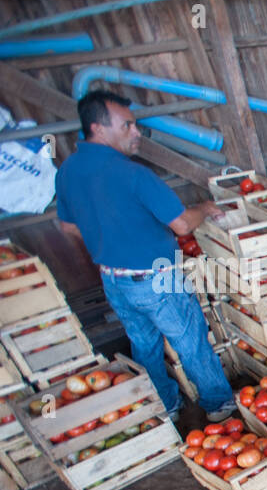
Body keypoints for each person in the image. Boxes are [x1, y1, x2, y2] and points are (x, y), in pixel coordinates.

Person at [54, 90, 235, 421]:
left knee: (144, 346)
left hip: (113, 279)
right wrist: (205, 209)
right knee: (190, 341)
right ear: (98, 128)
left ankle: (166, 407)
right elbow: (181, 225)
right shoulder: (133, 174)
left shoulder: (68, 171)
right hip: (156, 277)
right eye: (128, 126)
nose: (136, 133)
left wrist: (108, 235)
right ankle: (218, 405)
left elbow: (68, 226)